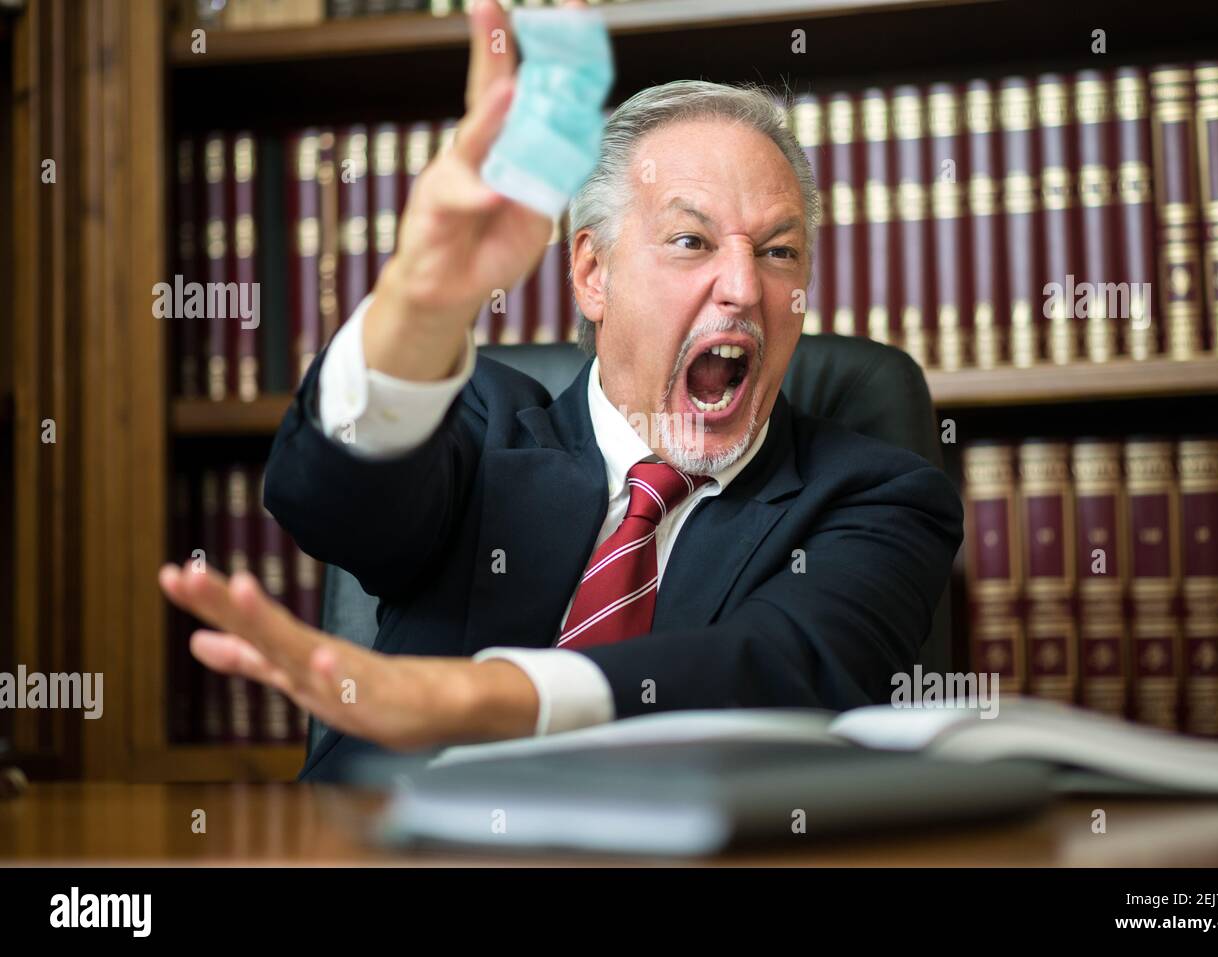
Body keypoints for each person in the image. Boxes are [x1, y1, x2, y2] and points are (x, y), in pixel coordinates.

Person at [158, 0, 963, 782]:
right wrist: (424, 296)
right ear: (591, 273)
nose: (744, 287)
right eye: (691, 240)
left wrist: (474, 696)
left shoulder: (880, 495)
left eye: (781, 253)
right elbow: (324, 500)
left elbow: (784, 671)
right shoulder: (475, 425)